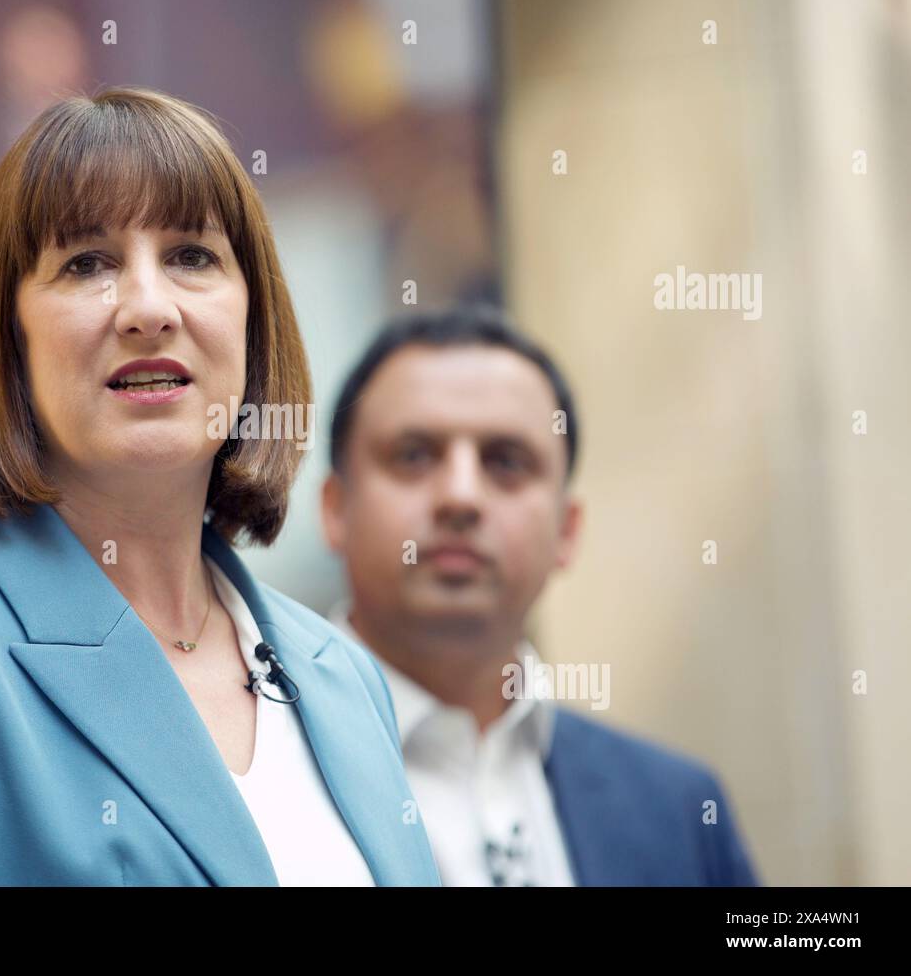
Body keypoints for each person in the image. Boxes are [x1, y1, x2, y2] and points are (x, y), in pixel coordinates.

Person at [0, 87, 440, 887]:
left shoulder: (343, 674)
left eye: (192, 256)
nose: (148, 308)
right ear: (10, 339)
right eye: (86, 264)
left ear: (254, 319)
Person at [319, 306, 759, 886]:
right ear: (335, 510)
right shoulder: (249, 774)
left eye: (506, 462)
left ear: (567, 531)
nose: (460, 496)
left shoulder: (678, 810)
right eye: (414, 455)